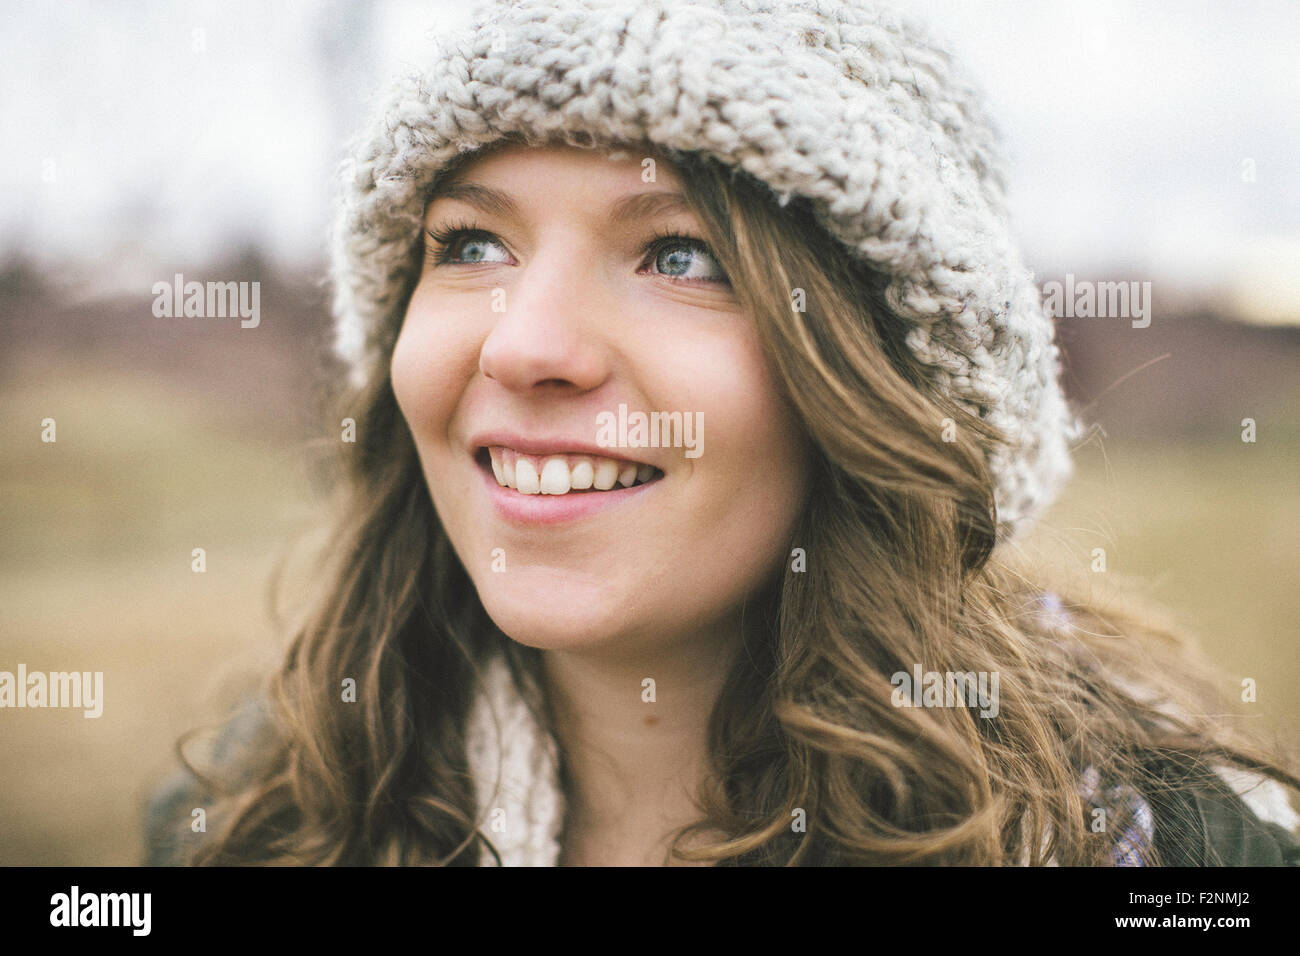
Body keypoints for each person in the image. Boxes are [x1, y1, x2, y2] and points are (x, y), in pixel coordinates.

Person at [144, 0, 1300, 866]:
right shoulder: (253, 819)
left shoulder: (1167, 852)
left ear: (871, 374)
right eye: (471, 244)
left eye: (679, 254)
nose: (521, 345)